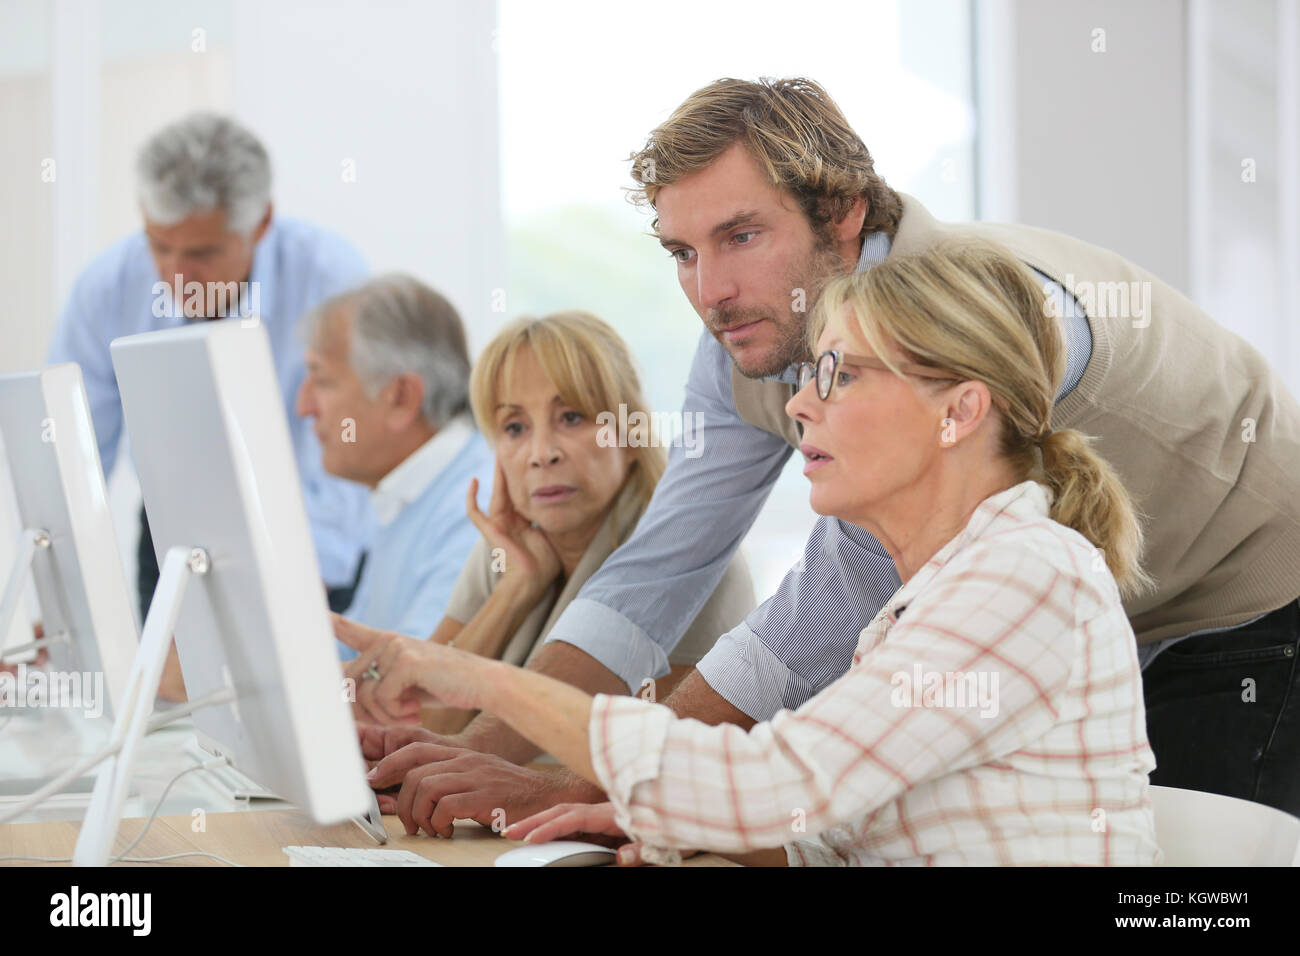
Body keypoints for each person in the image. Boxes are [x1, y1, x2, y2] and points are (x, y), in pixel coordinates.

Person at [363, 76, 1300, 828]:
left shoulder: (978, 326)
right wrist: (482, 757)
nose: (710, 289)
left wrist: (586, 794)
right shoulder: (755, 332)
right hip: (1102, 616)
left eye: (740, 236)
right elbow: (653, 574)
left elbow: (809, 630)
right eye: (680, 252)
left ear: (843, 215)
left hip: (1252, 603)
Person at [341, 240, 1162, 866]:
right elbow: (835, 834)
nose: (800, 403)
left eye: (839, 375)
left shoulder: (1024, 577)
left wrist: (477, 681)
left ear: (959, 413)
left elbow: (779, 784)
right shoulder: (930, 595)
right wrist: (662, 822)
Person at [46, 113, 373, 698]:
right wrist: (66, 597)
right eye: (159, 244)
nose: (176, 273)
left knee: (309, 727)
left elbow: (352, 459)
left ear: (262, 223)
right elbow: (72, 460)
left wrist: (293, 591)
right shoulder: (105, 288)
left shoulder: (334, 280)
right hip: (173, 539)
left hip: (311, 538)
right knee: (176, 726)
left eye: (202, 252)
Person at [346, 311, 753, 742]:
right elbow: (421, 724)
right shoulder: (508, 548)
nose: (542, 453)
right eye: (515, 427)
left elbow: (627, 762)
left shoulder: (690, 555)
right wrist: (515, 590)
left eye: (572, 418)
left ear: (632, 435)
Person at [297, 275, 494, 657]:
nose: (304, 407)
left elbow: (412, 685)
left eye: (321, 381)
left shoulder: (475, 506)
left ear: (401, 398)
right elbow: (352, 655)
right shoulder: (405, 493)